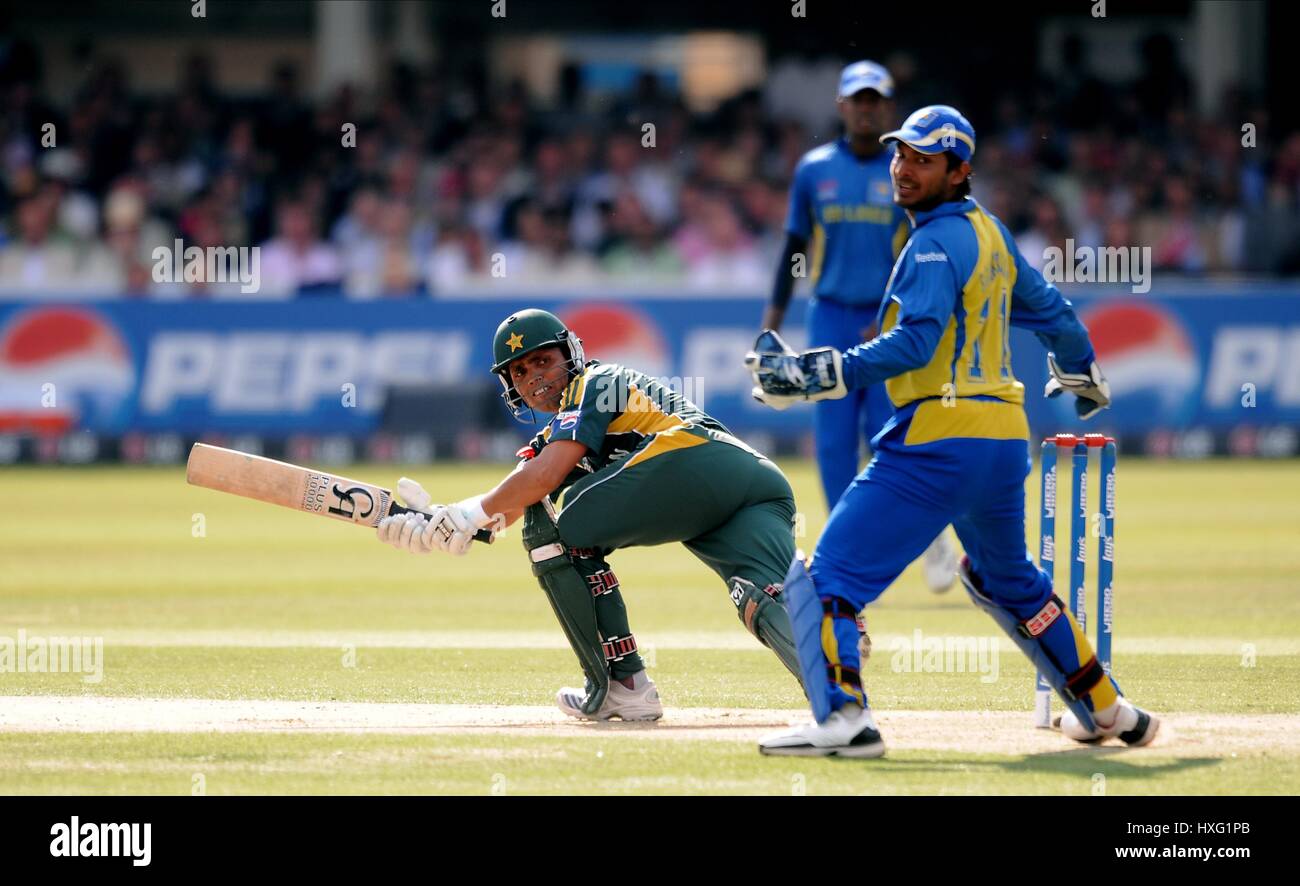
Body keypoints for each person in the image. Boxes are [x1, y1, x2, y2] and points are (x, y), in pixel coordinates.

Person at [747, 106, 1160, 757]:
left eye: (924, 161)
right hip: (1001, 443)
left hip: (939, 440)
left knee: (825, 579)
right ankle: (1107, 708)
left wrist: (814, 374)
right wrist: (1082, 375)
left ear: (959, 170)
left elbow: (914, 344)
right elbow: (1058, 316)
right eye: (901, 156)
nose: (905, 171)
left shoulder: (932, 242)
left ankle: (844, 719)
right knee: (1004, 579)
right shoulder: (989, 233)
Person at [374, 309, 807, 720]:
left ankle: (621, 685)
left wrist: (470, 514)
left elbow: (539, 481)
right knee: (764, 598)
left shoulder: (595, 382)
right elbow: (513, 499)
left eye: (542, 360)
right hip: (756, 485)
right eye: (519, 372)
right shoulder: (560, 433)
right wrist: (435, 524)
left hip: (696, 456)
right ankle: (836, 682)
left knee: (558, 531)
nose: (533, 378)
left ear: (571, 353)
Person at [762, 60, 958, 593]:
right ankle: (842, 553)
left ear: (888, 107)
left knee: (892, 436)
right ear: (842, 106)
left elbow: (925, 247)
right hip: (829, 315)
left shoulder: (904, 170)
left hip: (884, 319)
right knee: (832, 444)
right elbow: (792, 249)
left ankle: (929, 533)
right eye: (858, 99)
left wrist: (896, 313)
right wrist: (771, 325)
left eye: (876, 100)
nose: (867, 108)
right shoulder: (814, 169)